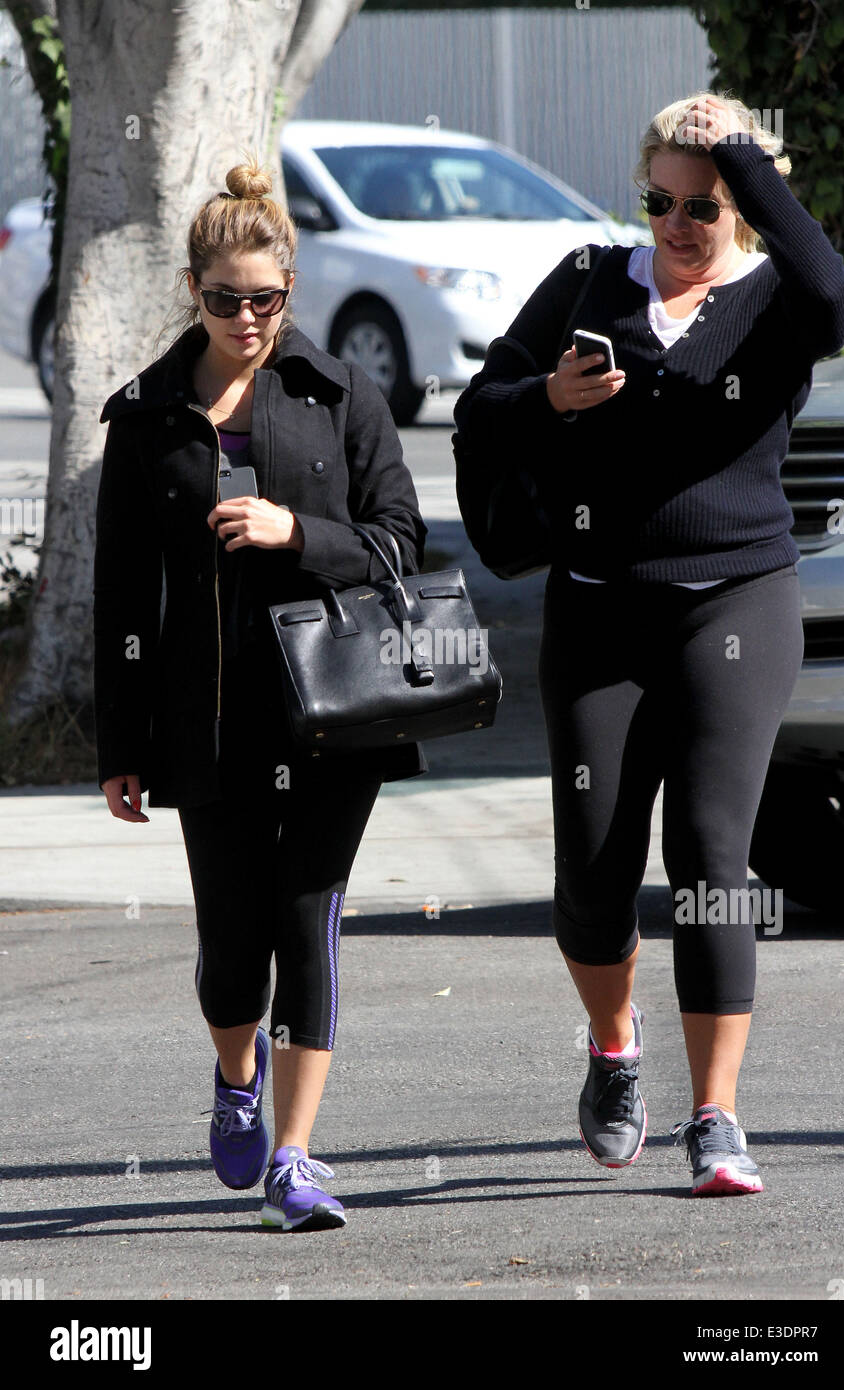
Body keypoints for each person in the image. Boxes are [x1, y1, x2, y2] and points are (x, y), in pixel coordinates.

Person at [454, 93, 844, 1195]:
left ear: (744, 206)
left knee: (712, 862)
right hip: (598, 602)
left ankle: (717, 1116)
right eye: (661, 201)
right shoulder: (591, 279)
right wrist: (549, 395)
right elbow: (483, 406)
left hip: (737, 602)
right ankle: (614, 1047)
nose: (677, 225)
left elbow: (834, 288)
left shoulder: (778, 298)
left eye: (705, 205)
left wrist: (736, 149)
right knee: (591, 866)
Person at [94, 157, 427, 1231]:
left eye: (268, 300)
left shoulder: (340, 394)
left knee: (307, 923)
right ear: (194, 291)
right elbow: (120, 599)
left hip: (331, 716)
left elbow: (399, 544)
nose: (248, 319)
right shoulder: (146, 417)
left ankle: (295, 1155)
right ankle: (234, 1074)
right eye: (226, 300)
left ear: (292, 290)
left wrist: (300, 535)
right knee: (233, 950)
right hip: (209, 725)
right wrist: (123, 741)